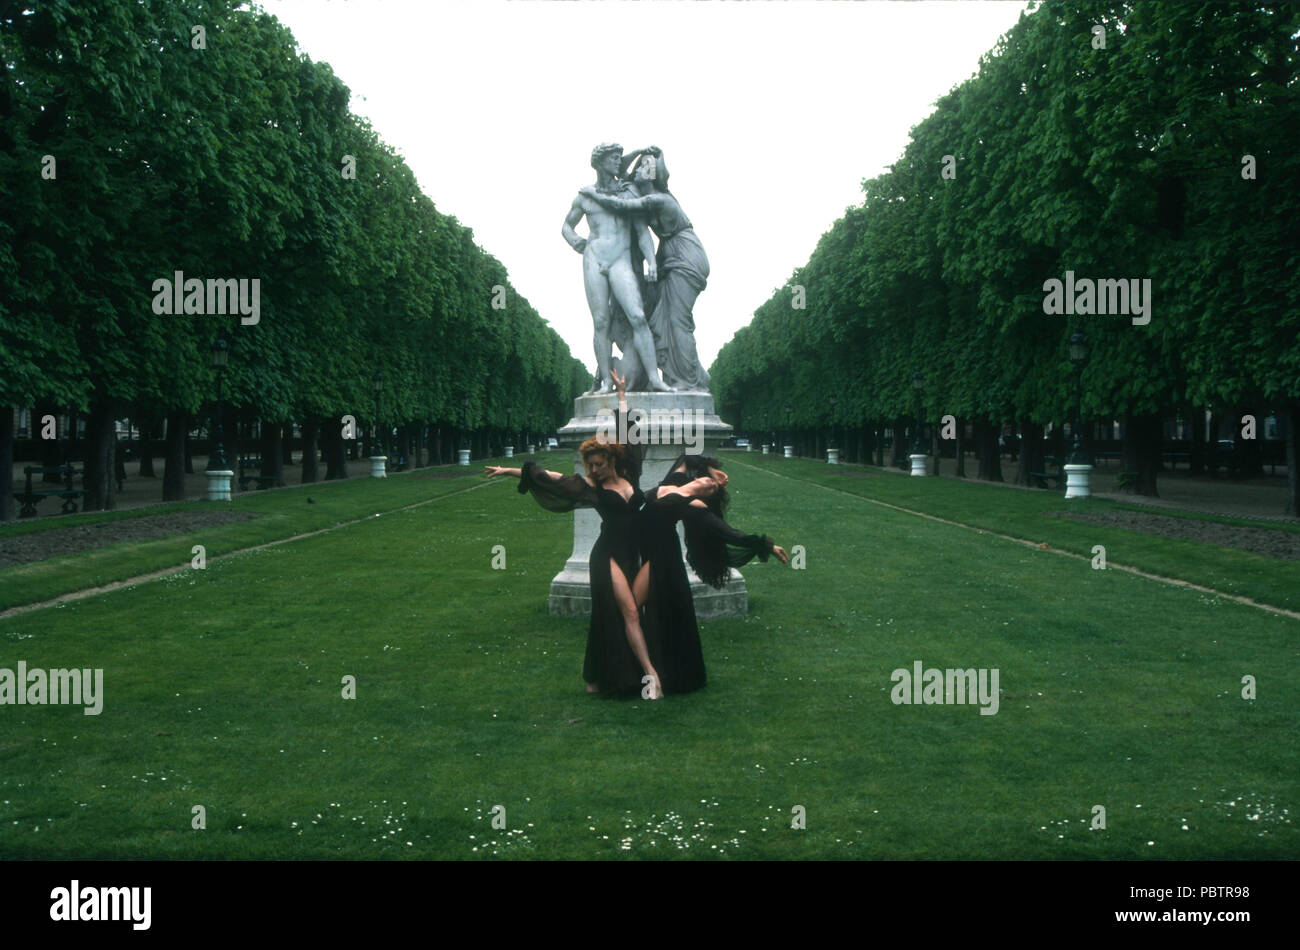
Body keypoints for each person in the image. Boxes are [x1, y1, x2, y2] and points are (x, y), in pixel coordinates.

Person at [485, 370, 663, 699]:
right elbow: (550, 478)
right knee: (629, 612)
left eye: (598, 463)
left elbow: (630, 434)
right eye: (589, 464)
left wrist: (622, 395)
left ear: (611, 459)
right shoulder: (591, 488)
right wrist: (510, 470)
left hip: (633, 552)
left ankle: (602, 675)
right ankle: (650, 677)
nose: (592, 469)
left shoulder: (630, 472)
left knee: (627, 613)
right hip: (606, 554)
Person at [630, 455, 790, 693]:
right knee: (639, 611)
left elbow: (730, 533)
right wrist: (714, 469)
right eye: (709, 481)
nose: (711, 485)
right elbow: (686, 458)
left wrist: (766, 545)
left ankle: (662, 676)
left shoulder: (694, 505)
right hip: (646, 551)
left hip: (661, 558)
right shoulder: (675, 481)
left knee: (636, 609)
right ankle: (644, 672)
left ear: (704, 496)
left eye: (712, 489)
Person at [579, 146, 712, 392]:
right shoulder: (642, 191)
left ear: (650, 174)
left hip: (684, 254)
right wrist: (639, 151)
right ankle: (691, 375)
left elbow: (617, 204)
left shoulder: (656, 198)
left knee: (676, 319)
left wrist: (590, 193)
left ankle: (688, 380)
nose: (633, 170)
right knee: (662, 319)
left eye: (641, 167)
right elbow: (620, 176)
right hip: (670, 253)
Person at [561, 143, 670, 394]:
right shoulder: (585, 197)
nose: (618, 162)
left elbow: (642, 232)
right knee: (600, 322)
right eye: (613, 158)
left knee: (637, 316)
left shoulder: (628, 193)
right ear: (600, 163)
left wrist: (651, 261)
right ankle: (608, 382)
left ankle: (654, 378)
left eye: (619, 158)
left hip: (620, 260)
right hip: (594, 259)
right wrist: (576, 241)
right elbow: (566, 226)